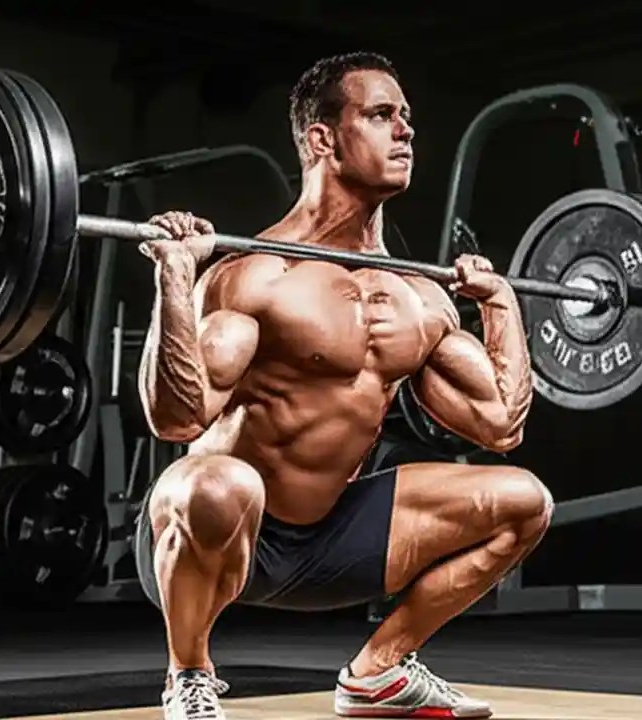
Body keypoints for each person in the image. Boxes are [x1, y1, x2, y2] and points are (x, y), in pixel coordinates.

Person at [132, 51, 554, 720]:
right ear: (324, 139)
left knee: (524, 502)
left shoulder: (419, 296)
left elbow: (502, 424)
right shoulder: (255, 274)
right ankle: (189, 672)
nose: (405, 131)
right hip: (223, 541)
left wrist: (502, 307)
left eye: (406, 118)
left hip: (332, 541)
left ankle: (377, 674)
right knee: (215, 481)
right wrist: (176, 279)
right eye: (382, 115)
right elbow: (177, 421)